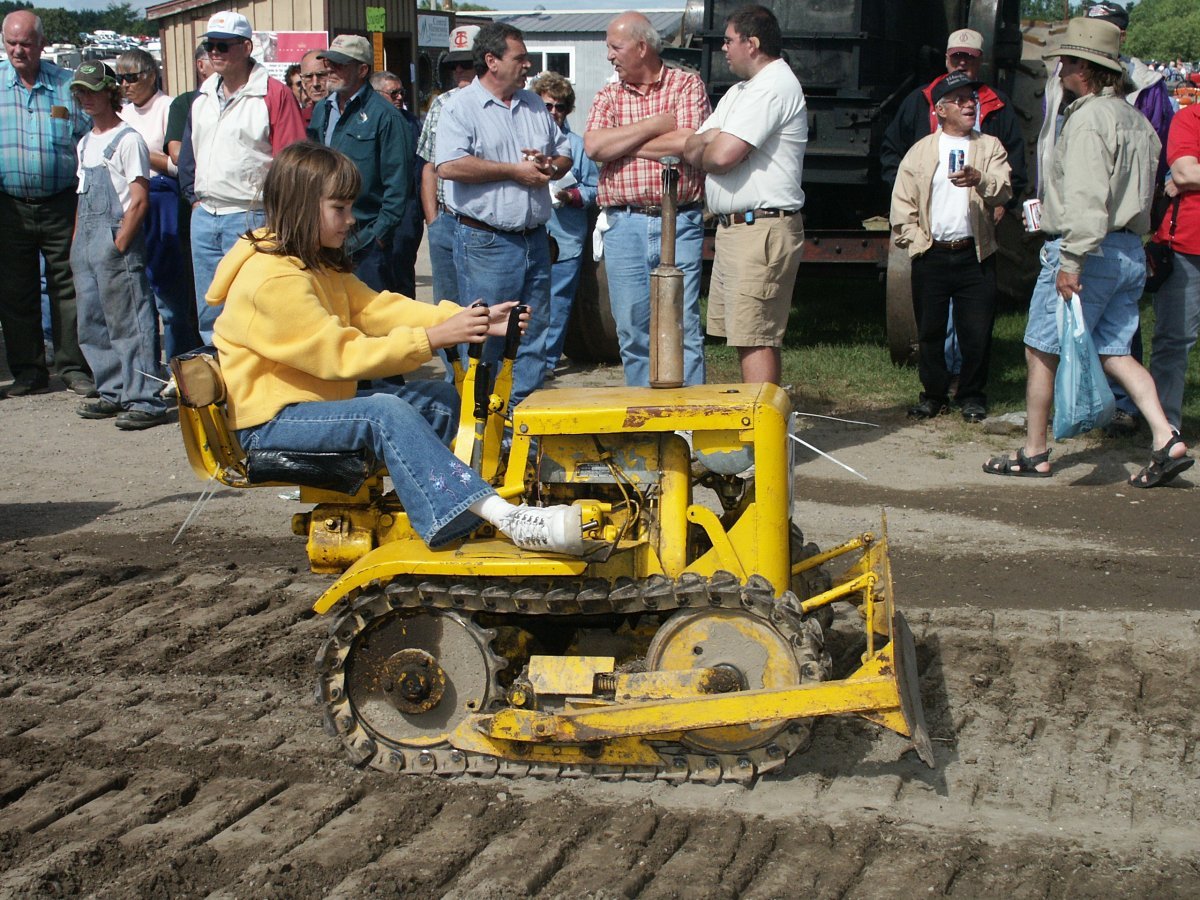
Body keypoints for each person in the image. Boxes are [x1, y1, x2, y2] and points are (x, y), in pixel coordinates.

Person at [209, 141, 584, 554]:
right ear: (301, 205)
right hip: (270, 424)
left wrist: (463, 318)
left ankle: (522, 487)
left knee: (442, 399)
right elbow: (342, 355)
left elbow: (376, 309)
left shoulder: (310, 261)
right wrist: (434, 338)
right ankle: (499, 516)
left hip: (308, 405)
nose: (351, 220)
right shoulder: (273, 280)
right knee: (384, 413)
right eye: (340, 208)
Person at [983, 18, 1193, 488]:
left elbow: (1086, 199)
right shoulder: (1137, 121)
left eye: (1065, 62)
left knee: (1041, 347)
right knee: (1115, 350)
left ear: (1085, 67)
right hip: (1127, 251)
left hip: (1088, 248)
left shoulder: (1087, 120)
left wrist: (1071, 261)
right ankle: (1165, 436)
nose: (1057, 71)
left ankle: (1035, 451)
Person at [435, 22, 569, 411]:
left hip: (535, 238)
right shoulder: (459, 106)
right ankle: (481, 423)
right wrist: (513, 170)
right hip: (486, 241)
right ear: (491, 61)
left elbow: (564, 153)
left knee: (533, 333)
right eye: (520, 58)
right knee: (488, 336)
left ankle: (520, 421)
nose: (528, 65)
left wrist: (551, 165)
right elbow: (449, 166)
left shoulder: (532, 104)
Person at [881, 28, 1027, 381]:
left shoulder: (997, 110)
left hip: (976, 240)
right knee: (931, 324)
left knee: (975, 326)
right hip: (931, 242)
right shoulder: (919, 104)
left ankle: (969, 389)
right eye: (955, 57)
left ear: (981, 61)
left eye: (969, 58)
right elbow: (895, 163)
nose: (961, 62)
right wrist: (915, 233)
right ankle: (935, 388)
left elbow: (1013, 171)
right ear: (946, 60)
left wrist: (997, 197)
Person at [585, 11, 711, 387]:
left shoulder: (687, 85)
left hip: (680, 219)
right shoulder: (608, 94)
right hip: (624, 224)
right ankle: (645, 423)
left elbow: (689, 143)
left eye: (615, 46)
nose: (610, 55)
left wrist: (622, 145)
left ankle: (690, 428)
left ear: (642, 47)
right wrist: (655, 126)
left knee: (683, 324)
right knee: (632, 327)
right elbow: (594, 145)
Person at [682, 4, 805, 386]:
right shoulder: (741, 91)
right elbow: (691, 144)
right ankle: (759, 434)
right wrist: (708, 144)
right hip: (739, 230)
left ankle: (765, 438)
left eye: (729, 40)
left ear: (752, 43)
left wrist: (710, 145)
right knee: (745, 335)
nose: (723, 48)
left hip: (761, 229)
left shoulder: (774, 86)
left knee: (756, 337)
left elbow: (718, 154)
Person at [890, 70, 1012, 422]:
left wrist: (980, 179)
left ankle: (972, 396)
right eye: (959, 100)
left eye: (971, 98)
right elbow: (902, 206)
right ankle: (933, 394)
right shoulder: (921, 152)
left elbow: (1004, 189)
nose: (969, 104)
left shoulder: (989, 148)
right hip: (933, 254)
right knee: (930, 332)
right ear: (940, 110)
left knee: (976, 332)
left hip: (975, 256)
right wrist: (917, 243)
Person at [189, 10, 306, 343]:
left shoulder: (273, 94)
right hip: (206, 214)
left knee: (252, 303)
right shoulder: (204, 95)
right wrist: (195, 200)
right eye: (210, 44)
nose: (214, 52)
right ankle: (216, 382)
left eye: (223, 46)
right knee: (209, 306)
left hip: (249, 215)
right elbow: (190, 154)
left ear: (245, 48)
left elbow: (292, 163)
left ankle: (253, 381)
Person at [68, 62, 168, 430]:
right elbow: (81, 198)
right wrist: (76, 246)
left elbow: (139, 199)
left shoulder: (128, 140)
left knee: (129, 320)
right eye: (80, 91)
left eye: (93, 90)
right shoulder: (85, 142)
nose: (86, 98)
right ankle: (111, 390)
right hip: (86, 243)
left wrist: (120, 242)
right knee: (92, 320)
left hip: (115, 239)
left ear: (110, 92)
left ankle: (144, 397)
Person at [0, 10, 93, 398]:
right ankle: (28, 371)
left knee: (67, 286)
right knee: (15, 290)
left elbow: (90, 141)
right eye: (11, 43)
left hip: (61, 202)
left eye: (25, 43)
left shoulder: (68, 86)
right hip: (9, 206)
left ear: (41, 43)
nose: (18, 50)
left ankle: (72, 366)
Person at [117, 48, 201, 373]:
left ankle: (180, 366)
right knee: (138, 294)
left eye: (131, 77)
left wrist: (136, 149)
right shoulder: (122, 113)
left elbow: (177, 165)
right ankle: (145, 368)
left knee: (169, 296)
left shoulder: (167, 107)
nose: (125, 84)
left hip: (163, 206)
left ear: (151, 76)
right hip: (130, 203)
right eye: (120, 78)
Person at [307, 35, 412, 294]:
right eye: (329, 62)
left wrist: (376, 238)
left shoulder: (386, 117)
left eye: (340, 64)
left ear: (362, 70)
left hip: (364, 243)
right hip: (322, 238)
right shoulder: (323, 110)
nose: (330, 69)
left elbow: (398, 189)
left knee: (370, 321)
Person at [530, 71, 599, 378]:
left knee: (557, 303)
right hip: (530, 234)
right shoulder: (526, 142)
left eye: (560, 107)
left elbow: (595, 188)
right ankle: (523, 361)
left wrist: (571, 196)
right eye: (547, 106)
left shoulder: (578, 146)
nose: (554, 113)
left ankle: (545, 364)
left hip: (566, 236)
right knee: (528, 300)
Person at [417, 26, 479, 318]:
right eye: (452, 65)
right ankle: (452, 366)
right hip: (447, 220)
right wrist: (433, 221)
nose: (459, 71)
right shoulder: (441, 104)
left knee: (482, 306)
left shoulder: (508, 102)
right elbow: (429, 166)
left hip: (483, 223)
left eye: (466, 63)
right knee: (447, 308)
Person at [1148, 101, 1200, 433]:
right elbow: (1183, 172)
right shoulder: (1189, 118)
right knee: (1174, 339)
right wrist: (1187, 177)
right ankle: (1166, 427)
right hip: (1185, 246)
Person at [371, 70, 425, 299]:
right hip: (377, 212)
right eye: (393, 93)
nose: (400, 97)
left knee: (403, 275)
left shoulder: (412, 123)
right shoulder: (368, 122)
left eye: (401, 92)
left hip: (408, 213)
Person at [297, 50, 329, 127]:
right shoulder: (298, 120)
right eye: (308, 76)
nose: (315, 83)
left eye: (321, 75)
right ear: (302, 82)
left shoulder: (348, 115)